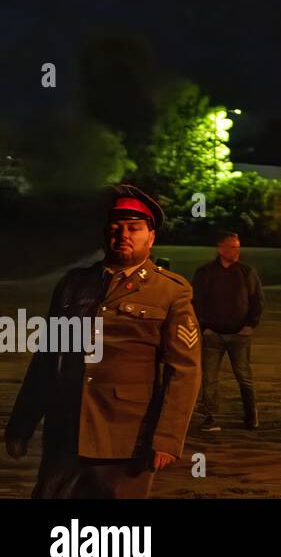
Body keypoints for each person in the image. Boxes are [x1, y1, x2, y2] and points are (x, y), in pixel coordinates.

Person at [5, 186, 201, 498]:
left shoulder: (171, 292)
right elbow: (47, 358)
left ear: (151, 237)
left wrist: (167, 438)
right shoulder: (73, 284)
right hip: (65, 434)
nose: (123, 235)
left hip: (126, 438)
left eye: (134, 228)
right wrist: (22, 423)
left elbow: (184, 372)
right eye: (115, 228)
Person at [191, 231, 264, 433]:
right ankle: (210, 417)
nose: (236, 250)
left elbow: (257, 300)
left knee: (244, 376)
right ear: (220, 248)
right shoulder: (205, 273)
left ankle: (251, 415)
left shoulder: (246, 272)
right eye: (232, 247)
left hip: (239, 335)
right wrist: (204, 327)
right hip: (213, 335)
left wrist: (250, 325)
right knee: (210, 378)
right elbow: (196, 301)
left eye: (238, 246)